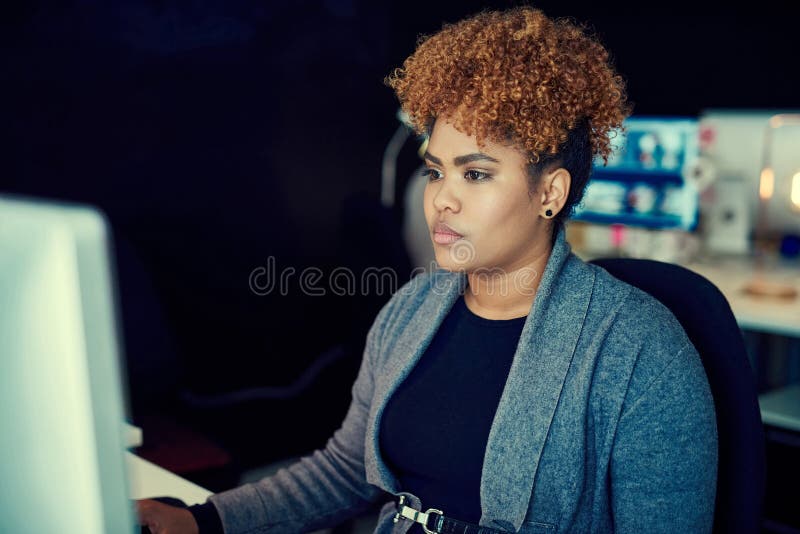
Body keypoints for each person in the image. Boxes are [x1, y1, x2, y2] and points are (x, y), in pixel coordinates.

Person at [138, 7, 717, 533]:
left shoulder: (642, 353)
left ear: (551, 191)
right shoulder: (410, 310)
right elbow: (346, 471)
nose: (441, 198)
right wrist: (203, 522)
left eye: (477, 173)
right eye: (436, 171)